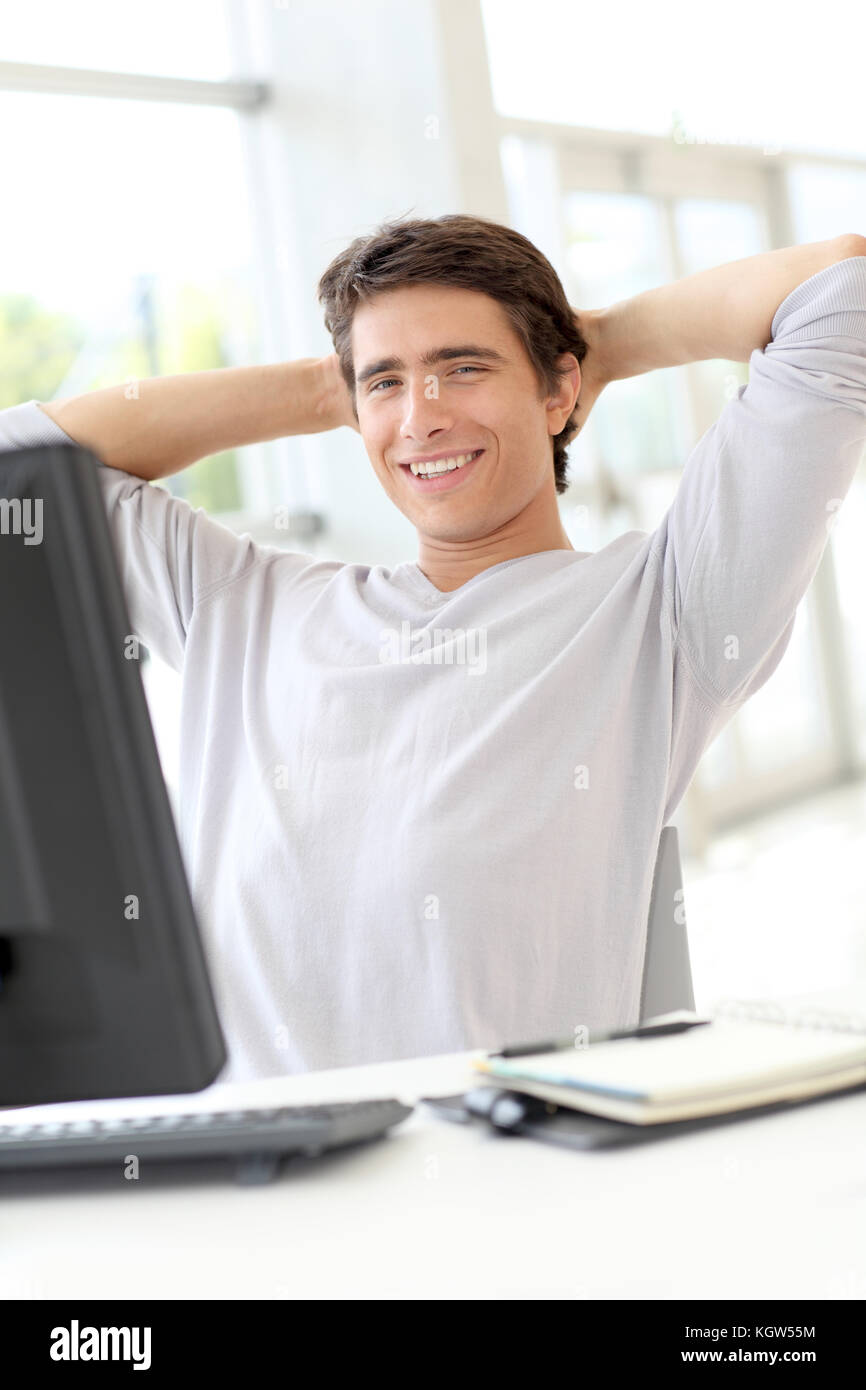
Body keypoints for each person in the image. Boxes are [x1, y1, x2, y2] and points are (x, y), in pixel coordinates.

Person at [2, 214, 864, 1083]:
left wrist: (597, 344)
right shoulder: (238, 605)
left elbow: (840, 291)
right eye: (386, 382)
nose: (422, 417)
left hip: (492, 1154)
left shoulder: (667, 609)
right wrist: (323, 389)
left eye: (465, 368)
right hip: (254, 1155)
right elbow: (16, 476)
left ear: (558, 391)